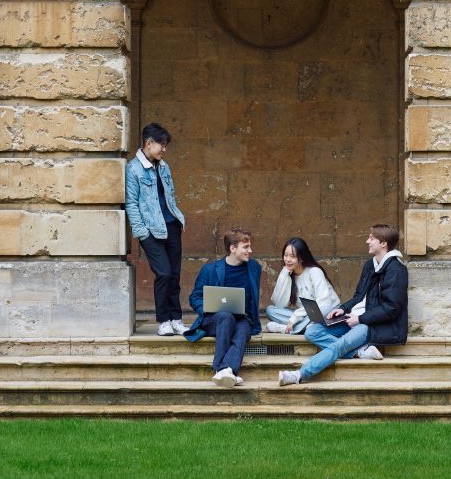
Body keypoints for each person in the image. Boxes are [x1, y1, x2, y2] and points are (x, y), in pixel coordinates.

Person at [278, 224, 407, 386]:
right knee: (312, 331)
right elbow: (359, 296)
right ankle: (358, 352)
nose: (367, 241)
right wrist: (343, 309)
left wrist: (359, 319)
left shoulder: (397, 270)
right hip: (355, 317)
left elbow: (391, 309)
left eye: (372, 238)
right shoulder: (370, 265)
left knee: (340, 346)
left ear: (384, 243)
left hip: (374, 325)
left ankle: (299, 374)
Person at [126, 123, 187, 336]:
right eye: (161, 144)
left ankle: (176, 318)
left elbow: (169, 195)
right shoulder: (133, 168)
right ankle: (163, 320)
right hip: (150, 231)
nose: (164, 149)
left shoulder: (164, 166)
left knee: (175, 275)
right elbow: (131, 203)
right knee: (164, 273)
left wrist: (178, 220)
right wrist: (141, 231)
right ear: (148, 143)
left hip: (171, 225)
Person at [184, 229, 262, 386]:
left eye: (250, 247)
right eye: (245, 247)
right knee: (226, 316)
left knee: (241, 330)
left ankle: (227, 371)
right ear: (233, 249)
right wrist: (206, 308)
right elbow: (195, 297)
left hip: (243, 318)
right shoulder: (210, 269)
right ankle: (219, 368)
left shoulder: (254, 267)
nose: (250, 251)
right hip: (214, 319)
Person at [264, 237, 339, 335]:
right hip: (306, 316)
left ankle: (287, 329)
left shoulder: (314, 272)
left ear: (302, 258)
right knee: (270, 310)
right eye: (286, 255)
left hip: (327, 312)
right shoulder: (289, 275)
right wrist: (284, 274)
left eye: (292, 256)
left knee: (323, 309)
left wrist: (294, 318)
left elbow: (324, 302)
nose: (288, 260)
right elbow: (279, 304)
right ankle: (306, 327)